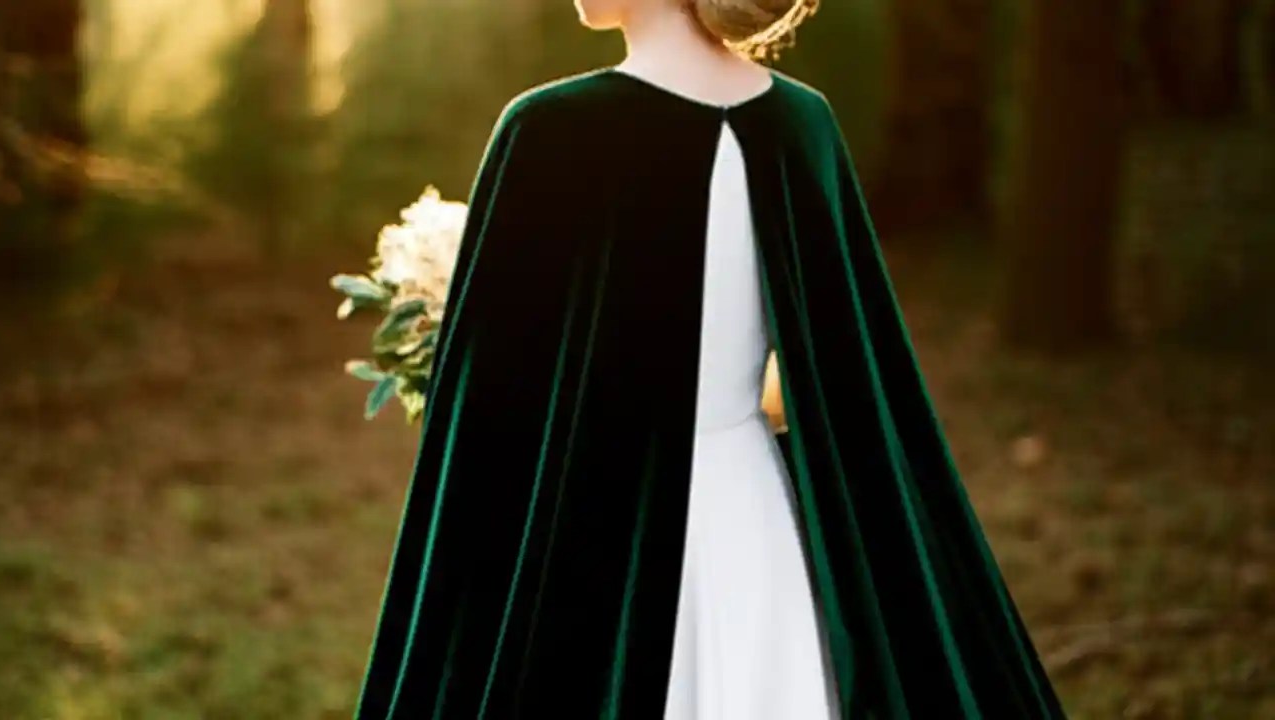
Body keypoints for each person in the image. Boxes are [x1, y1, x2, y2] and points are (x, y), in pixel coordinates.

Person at [354, 1, 1069, 718]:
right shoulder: (800, 122)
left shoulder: (551, 130)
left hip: (590, 531)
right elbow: (847, 381)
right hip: (757, 516)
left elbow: (487, 424)